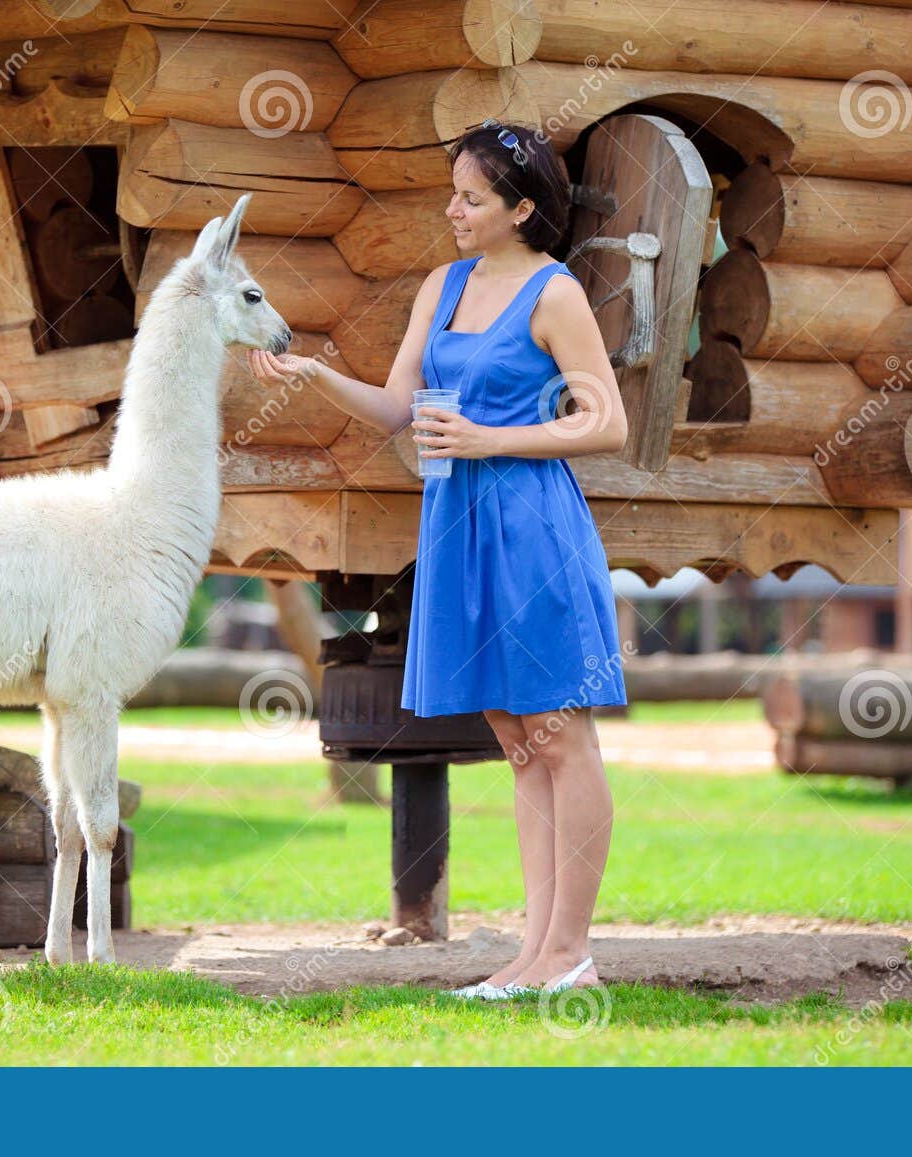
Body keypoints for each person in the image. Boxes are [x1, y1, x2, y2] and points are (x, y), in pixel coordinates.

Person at [248, 119, 627, 999]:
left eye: (471, 198)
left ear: (521, 209)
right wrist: (315, 375)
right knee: (518, 741)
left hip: (532, 526)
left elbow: (605, 421)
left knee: (561, 735)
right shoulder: (443, 285)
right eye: (452, 193)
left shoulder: (555, 292)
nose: (453, 210)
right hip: (457, 526)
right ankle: (537, 954)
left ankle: (571, 952)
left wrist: (491, 436)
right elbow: (398, 406)